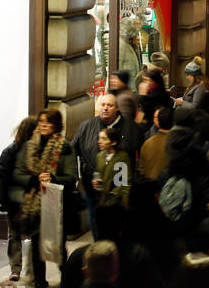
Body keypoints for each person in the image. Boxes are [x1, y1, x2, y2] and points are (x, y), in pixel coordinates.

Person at [14, 110, 78, 288]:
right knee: (36, 249)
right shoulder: (29, 145)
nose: (42, 125)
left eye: (48, 122)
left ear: (56, 125)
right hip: (34, 204)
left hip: (56, 205)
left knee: (57, 249)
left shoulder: (64, 147)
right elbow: (18, 173)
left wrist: (53, 179)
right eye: (41, 121)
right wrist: (34, 179)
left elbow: (71, 177)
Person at [71, 93, 139, 237]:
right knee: (95, 223)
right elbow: (74, 150)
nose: (105, 108)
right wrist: (81, 171)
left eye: (110, 105)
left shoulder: (131, 128)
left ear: (117, 108)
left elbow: (137, 157)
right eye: (103, 105)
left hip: (117, 191)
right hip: (92, 188)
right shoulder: (86, 126)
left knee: (117, 226)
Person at [0, 117, 37, 282]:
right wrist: (1, 200)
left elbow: (1, 178)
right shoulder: (13, 151)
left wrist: (1, 199)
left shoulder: (12, 150)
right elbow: (2, 178)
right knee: (18, 233)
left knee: (16, 234)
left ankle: (18, 269)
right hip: (19, 198)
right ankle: (20, 269)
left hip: (22, 197)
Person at [93, 125, 131, 212]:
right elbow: (98, 173)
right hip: (103, 200)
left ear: (113, 142)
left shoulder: (121, 158)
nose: (99, 142)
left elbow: (124, 183)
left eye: (104, 139)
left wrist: (123, 203)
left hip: (116, 203)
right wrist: (97, 181)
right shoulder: (100, 156)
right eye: (99, 138)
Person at [138, 106, 173, 184]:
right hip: (169, 189)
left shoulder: (147, 143)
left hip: (149, 188)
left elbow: (141, 169)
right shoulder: (176, 144)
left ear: (158, 121)